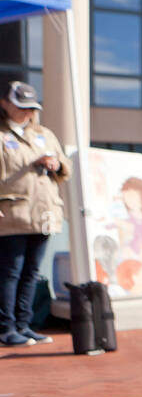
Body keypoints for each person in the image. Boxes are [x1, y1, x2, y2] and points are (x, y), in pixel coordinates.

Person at [0, 81, 72, 347]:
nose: (26, 112)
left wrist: (56, 164)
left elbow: (66, 166)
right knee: (10, 273)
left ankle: (24, 325)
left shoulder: (44, 134)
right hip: (12, 215)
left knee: (31, 272)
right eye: (21, 106)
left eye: (30, 107)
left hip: (44, 214)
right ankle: (6, 329)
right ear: (5, 103)